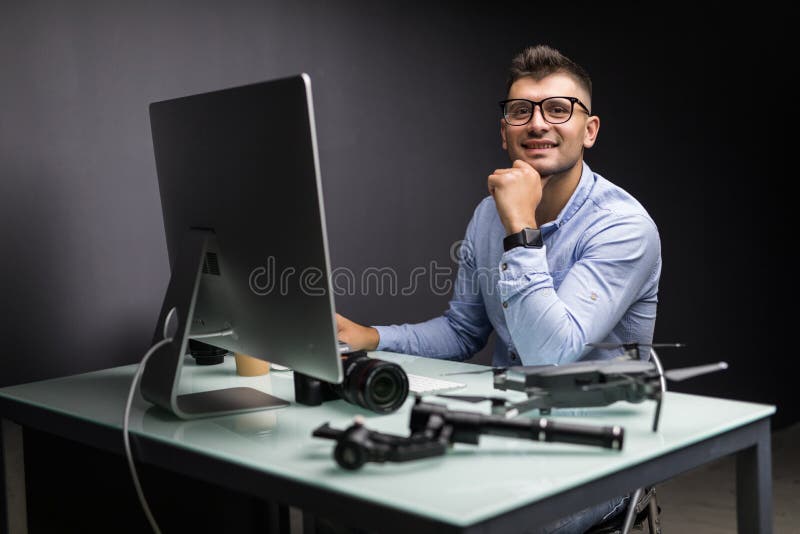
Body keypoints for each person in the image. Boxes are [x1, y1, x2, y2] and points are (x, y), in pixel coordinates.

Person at [336, 45, 662, 532]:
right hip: (509, 427)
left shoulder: (623, 227)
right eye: (520, 111)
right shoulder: (488, 215)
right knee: (359, 501)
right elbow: (462, 331)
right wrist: (372, 338)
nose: (537, 124)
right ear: (504, 129)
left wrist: (520, 227)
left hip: (598, 454)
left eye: (558, 109)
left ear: (588, 130)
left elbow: (548, 355)